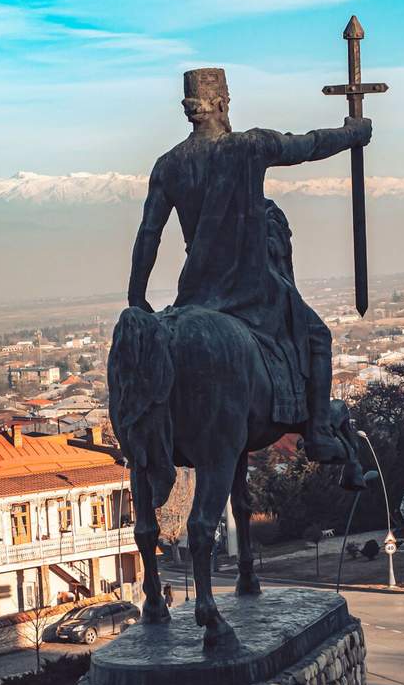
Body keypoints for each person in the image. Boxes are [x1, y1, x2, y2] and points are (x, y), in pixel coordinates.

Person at [126, 66, 370, 487]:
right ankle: (318, 432)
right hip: (253, 288)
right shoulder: (249, 146)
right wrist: (354, 132)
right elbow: (309, 145)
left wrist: (137, 296)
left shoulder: (168, 165)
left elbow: (149, 233)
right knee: (317, 337)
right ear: (222, 103)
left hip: (196, 294)